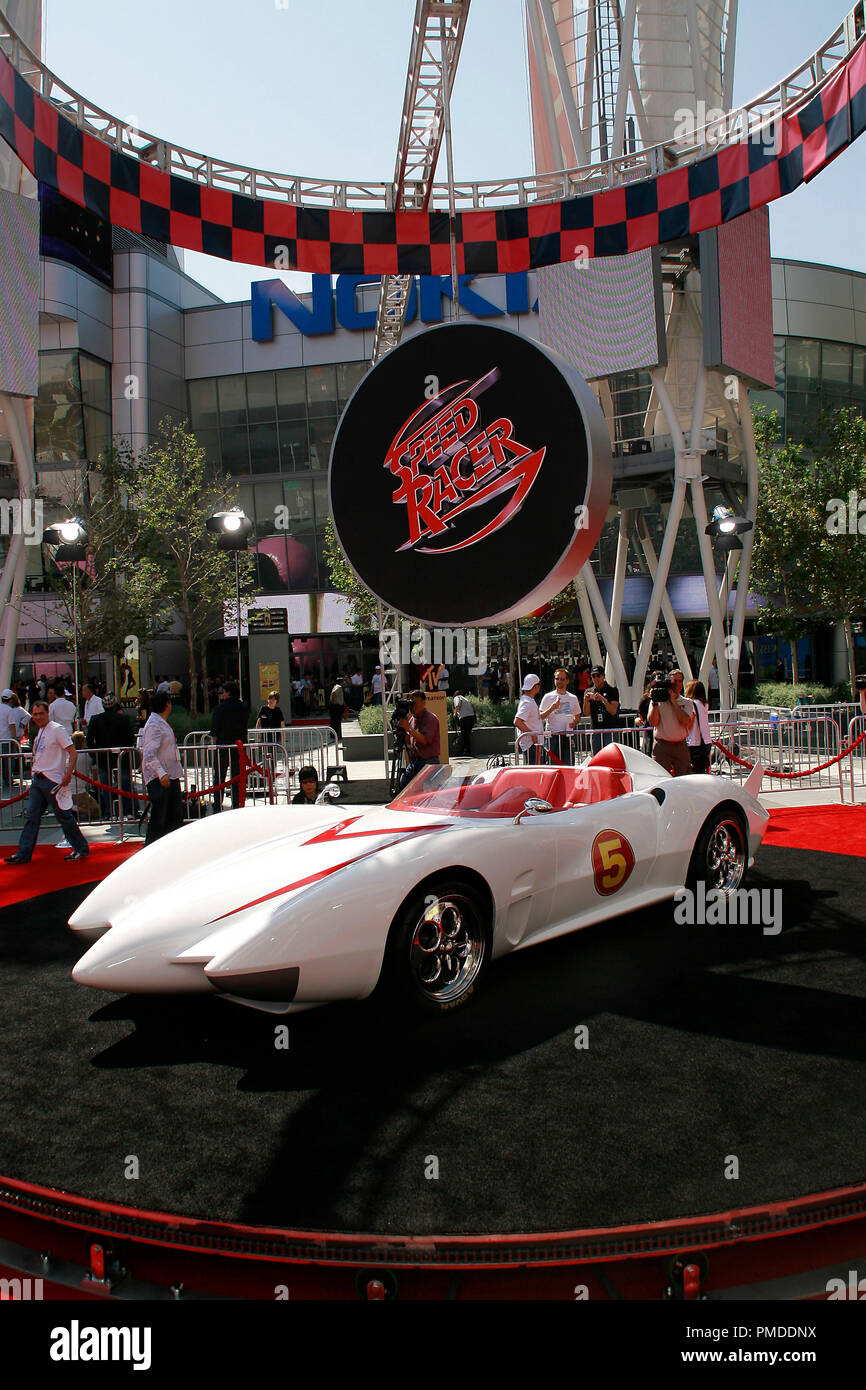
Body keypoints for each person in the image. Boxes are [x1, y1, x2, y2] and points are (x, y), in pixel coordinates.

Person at [4, 701, 90, 863]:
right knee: (32, 816)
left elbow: (72, 752)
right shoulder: (41, 731)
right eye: (34, 714)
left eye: (40, 713)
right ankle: (24, 853)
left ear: (47, 712)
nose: (37, 717)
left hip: (53, 781)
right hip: (38, 780)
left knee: (63, 816)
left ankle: (81, 848)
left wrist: (67, 774)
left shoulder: (57, 730)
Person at [140, 691, 184, 845]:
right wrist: (161, 773)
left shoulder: (159, 722)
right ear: (167, 704)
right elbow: (149, 754)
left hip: (169, 775)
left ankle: (171, 847)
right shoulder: (154, 724)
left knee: (173, 817)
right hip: (161, 778)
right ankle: (152, 848)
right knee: (160, 818)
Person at [87, 694, 135, 819]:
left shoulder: (95, 720)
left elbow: (89, 741)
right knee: (125, 785)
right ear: (115, 706)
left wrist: (95, 755)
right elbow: (130, 738)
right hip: (121, 757)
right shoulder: (123, 719)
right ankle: (128, 811)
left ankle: (110, 813)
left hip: (103, 758)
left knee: (106, 787)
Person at [210, 681, 249, 812]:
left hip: (223, 746)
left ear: (227, 692)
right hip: (239, 746)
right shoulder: (244, 707)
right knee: (237, 777)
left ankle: (217, 806)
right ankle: (237, 804)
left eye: (224, 692)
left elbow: (214, 731)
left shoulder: (219, 708)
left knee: (219, 778)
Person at [648, 670, 694, 777]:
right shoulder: (658, 700)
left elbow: (685, 721)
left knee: (684, 780)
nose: (677, 684)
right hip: (662, 746)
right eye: (674, 681)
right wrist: (654, 702)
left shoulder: (687, 702)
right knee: (661, 779)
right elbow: (653, 722)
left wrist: (674, 701)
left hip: (681, 745)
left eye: (680, 681)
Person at [397, 689, 441, 787]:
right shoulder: (412, 719)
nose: (412, 706)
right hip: (415, 762)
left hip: (428, 762)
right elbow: (408, 741)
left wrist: (408, 728)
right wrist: (401, 730)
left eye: (415, 702)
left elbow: (424, 740)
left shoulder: (431, 718)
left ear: (424, 702)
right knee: (403, 784)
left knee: (425, 791)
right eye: (410, 703)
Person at [540, 668, 581, 765]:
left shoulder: (573, 698)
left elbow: (577, 717)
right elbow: (540, 716)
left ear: (567, 681)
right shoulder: (548, 697)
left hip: (567, 736)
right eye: (557, 679)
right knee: (551, 766)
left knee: (568, 766)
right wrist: (552, 708)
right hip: (552, 736)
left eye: (562, 679)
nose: (559, 681)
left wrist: (574, 722)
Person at [582, 665, 620, 754]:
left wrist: (603, 700)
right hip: (595, 730)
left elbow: (613, 711)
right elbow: (586, 712)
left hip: (610, 730)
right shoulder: (589, 691)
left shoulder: (612, 690)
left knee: (611, 757)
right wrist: (586, 701)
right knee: (596, 758)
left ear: (603, 676)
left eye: (598, 675)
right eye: (593, 676)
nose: (596, 678)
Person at [514, 673, 545, 764]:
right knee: (536, 771)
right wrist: (532, 734)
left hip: (533, 744)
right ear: (535, 687)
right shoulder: (527, 702)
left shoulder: (528, 700)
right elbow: (517, 721)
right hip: (531, 744)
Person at [685, 679, 712, 774]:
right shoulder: (704, 704)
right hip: (706, 741)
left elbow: (690, 724)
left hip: (694, 742)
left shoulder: (692, 704)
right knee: (701, 770)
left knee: (694, 771)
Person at [634, 672, 663, 758]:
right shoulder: (646, 699)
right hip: (650, 735)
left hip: (664, 735)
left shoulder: (668, 698)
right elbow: (638, 717)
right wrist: (639, 721)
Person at [452, 690, 476, 757]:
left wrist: (454, 714)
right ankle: (467, 751)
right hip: (471, 717)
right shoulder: (465, 698)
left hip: (465, 717)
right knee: (466, 735)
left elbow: (457, 705)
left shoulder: (457, 698)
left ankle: (466, 751)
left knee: (464, 735)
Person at [328, 674, 345, 743]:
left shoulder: (336, 686)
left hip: (336, 706)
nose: (344, 683)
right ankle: (335, 735)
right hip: (336, 707)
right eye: (343, 681)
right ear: (340, 682)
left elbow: (340, 698)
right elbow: (334, 693)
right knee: (336, 721)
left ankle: (334, 734)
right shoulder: (339, 687)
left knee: (334, 721)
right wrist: (332, 703)